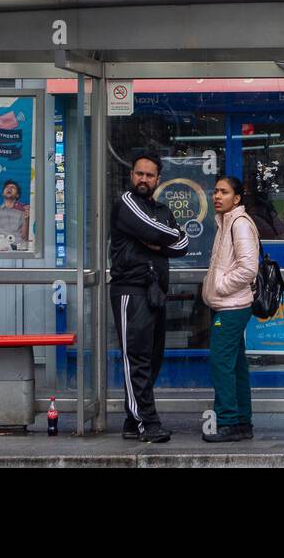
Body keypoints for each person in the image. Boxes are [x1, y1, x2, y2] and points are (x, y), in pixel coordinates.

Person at [109, 150, 188, 442]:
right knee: (137, 358)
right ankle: (147, 423)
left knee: (153, 358)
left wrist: (160, 240)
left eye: (149, 175)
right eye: (139, 173)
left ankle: (134, 420)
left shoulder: (162, 210)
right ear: (132, 175)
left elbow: (183, 245)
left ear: (158, 179)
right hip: (131, 290)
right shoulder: (126, 202)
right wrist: (163, 237)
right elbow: (160, 233)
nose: (143, 179)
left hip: (155, 292)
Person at [202, 175, 261, 443]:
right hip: (228, 304)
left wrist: (221, 286)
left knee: (221, 363)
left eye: (223, 192)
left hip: (232, 306)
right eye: (215, 191)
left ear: (236, 199)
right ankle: (241, 422)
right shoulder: (225, 222)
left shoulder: (239, 224)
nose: (217, 196)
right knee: (235, 365)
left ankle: (226, 420)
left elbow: (249, 268)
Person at [0, 180, 30, 251]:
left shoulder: (23, 211)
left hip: (18, 251)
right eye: (7, 187)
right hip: (0, 249)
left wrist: (26, 219)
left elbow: (24, 236)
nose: (9, 188)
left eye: (12, 187)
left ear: (17, 195)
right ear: (3, 194)